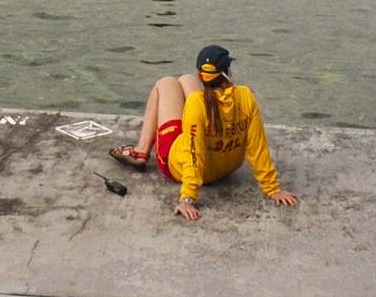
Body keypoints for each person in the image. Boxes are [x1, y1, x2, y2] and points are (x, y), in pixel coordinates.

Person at [109, 46, 298, 222]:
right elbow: (258, 146)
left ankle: (141, 151)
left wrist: (187, 198)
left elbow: (194, 153)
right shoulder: (246, 96)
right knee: (185, 79)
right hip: (227, 167)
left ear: (202, 75)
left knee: (166, 83)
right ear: (228, 72)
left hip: (182, 166)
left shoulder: (196, 103)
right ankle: (145, 148)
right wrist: (273, 189)